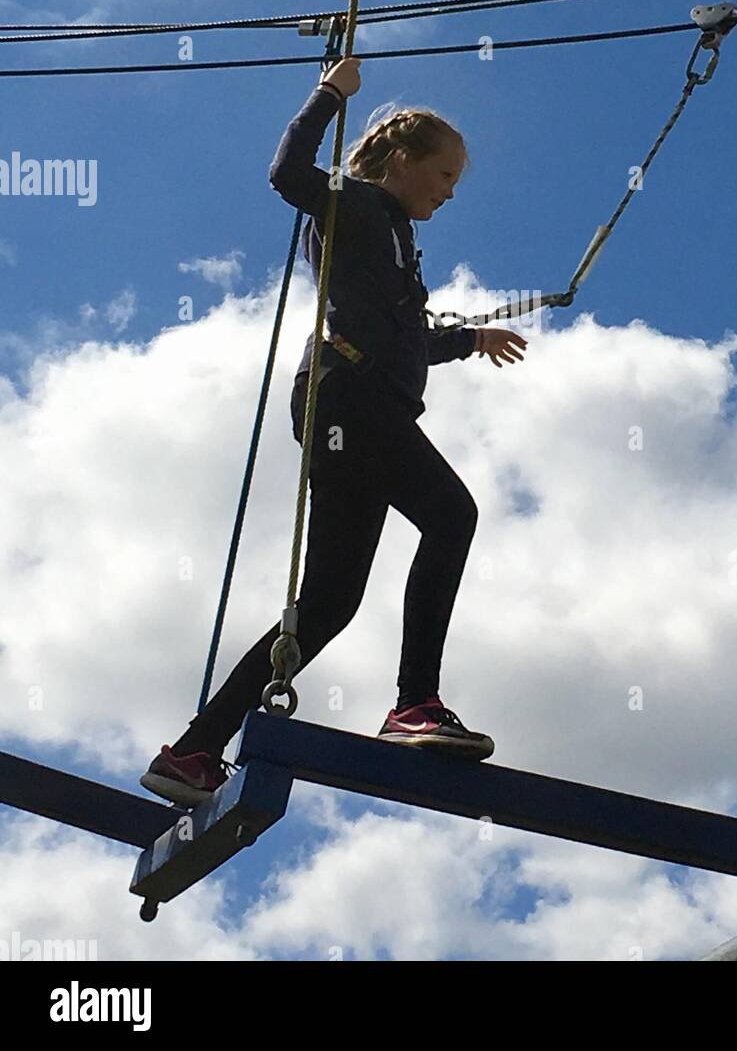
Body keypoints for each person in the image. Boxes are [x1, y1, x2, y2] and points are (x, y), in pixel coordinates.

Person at [140, 58, 527, 807]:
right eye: (444, 175)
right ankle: (415, 702)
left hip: (360, 406)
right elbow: (288, 173)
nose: (449, 192)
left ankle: (192, 751)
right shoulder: (354, 203)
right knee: (453, 515)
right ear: (404, 162)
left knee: (328, 604)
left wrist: (467, 340)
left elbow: (402, 335)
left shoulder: (389, 238)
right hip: (350, 402)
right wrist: (328, 95)